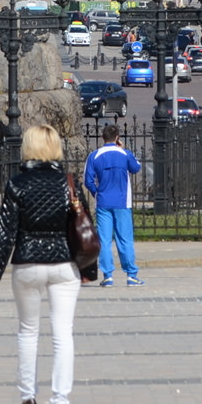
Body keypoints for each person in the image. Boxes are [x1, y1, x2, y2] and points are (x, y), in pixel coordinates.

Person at [0, 124, 83, 404]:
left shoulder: (17, 184)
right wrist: (89, 271)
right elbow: (82, 229)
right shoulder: (69, 183)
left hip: (26, 263)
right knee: (63, 333)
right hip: (64, 264)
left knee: (28, 332)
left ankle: (28, 399)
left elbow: (5, 234)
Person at [83, 123, 142, 288]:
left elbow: (87, 180)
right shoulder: (124, 153)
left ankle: (107, 275)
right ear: (117, 138)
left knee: (104, 240)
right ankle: (131, 275)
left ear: (103, 137)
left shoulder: (94, 156)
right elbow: (136, 167)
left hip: (103, 202)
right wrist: (123, 148)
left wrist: (97, 193)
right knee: (125, 239)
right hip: (123, 202)